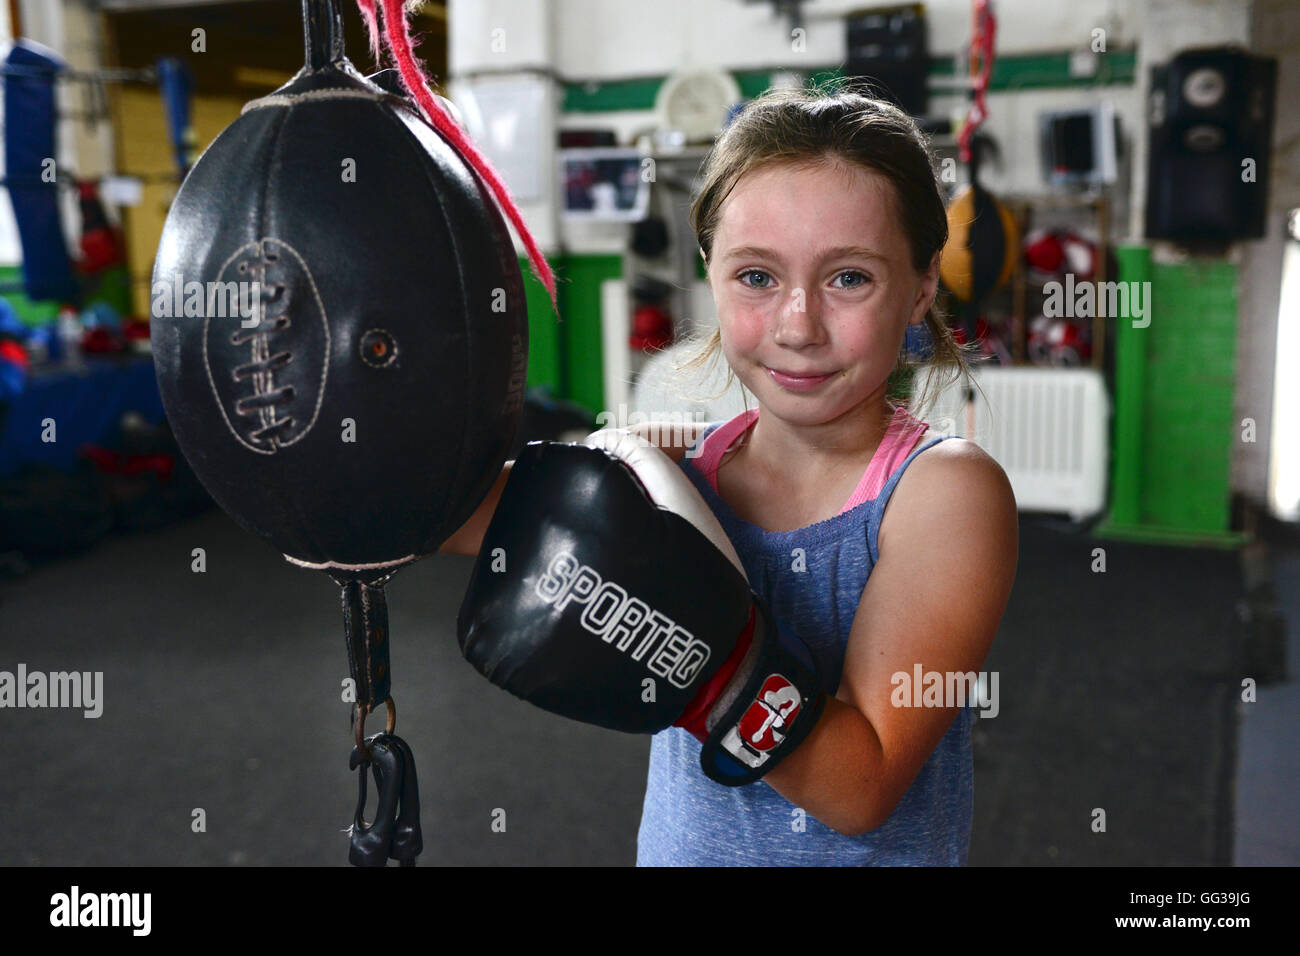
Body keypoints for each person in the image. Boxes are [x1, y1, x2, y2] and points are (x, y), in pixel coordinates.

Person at [443, 84, 1018, 866]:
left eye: (849, 277)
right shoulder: (681, 466)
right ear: (711, 274)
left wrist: (699, 653)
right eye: (757, 277)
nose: (798, 324)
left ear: (920, 289)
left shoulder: (943, 493)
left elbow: (862, 786)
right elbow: (445, 514)